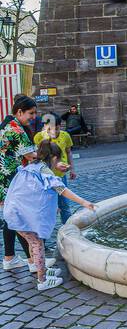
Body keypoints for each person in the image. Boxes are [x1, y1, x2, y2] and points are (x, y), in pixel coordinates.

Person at [2, 140, 96, 290]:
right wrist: (84, 202)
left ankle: (41, 268)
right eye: (58, 159)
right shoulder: (45, 171)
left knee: (32, 243)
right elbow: (61, 190)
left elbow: (33, 194)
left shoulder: (31, 167)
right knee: (37, 244)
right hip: (21, 215)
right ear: (53, 158)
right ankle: (43, 280)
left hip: (14, 212)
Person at [1, 94, 38, 269]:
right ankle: (33, 262)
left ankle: (10, 258)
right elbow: (32, 157)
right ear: (20, 111)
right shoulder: (16, 129)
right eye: (31, 113)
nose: (34, 117)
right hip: (9, 181)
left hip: (4, 179)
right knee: (18, 218)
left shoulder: (7, 123)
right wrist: (53, 158)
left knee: (10, 218)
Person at [34, 114, 75, 225]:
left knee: (64, 204)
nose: (54, 132)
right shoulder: (39, 137)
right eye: (50, 129)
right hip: (45, 178)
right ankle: (44, 228)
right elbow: (37, 157)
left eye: (57, 128)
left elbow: (68, 152)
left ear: (60, 126)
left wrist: (72, 169)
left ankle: (68, 227)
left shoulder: (65, 135)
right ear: (44, 126)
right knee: (46, 205)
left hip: (60, 176)